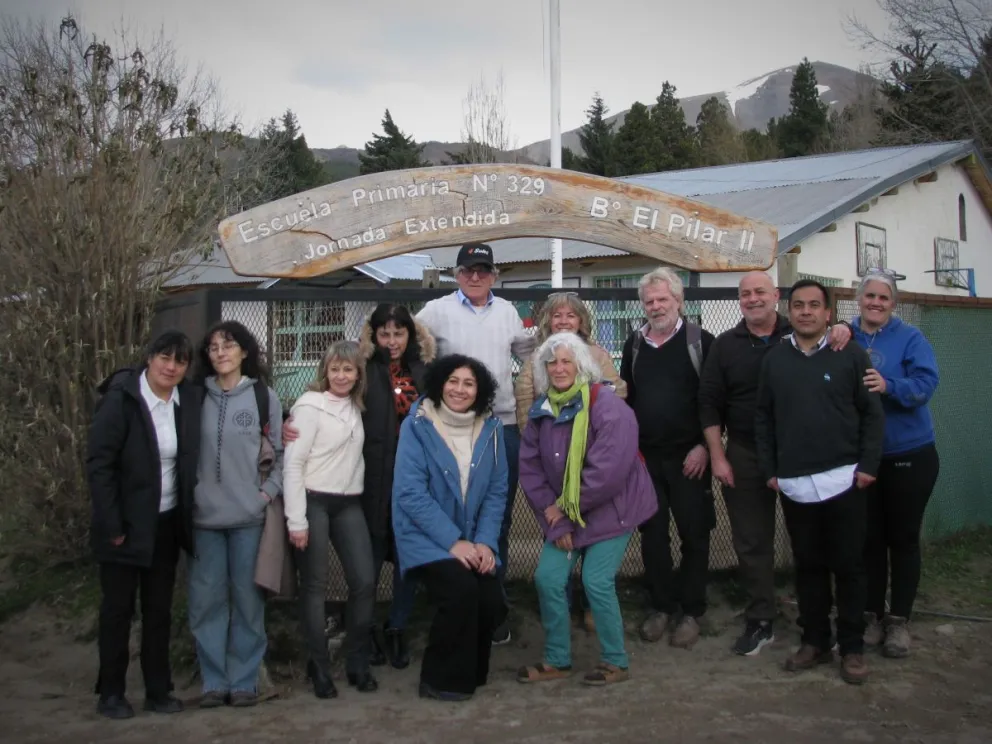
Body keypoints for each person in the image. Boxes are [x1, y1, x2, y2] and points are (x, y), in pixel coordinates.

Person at [698, 271, 851, 656]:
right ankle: (761, 618)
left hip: (802, 454)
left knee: (815, 542)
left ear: (775, 295)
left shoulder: (798, 332)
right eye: (745, 294)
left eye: (759, 292)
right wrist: (718, 456)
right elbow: (709, 403)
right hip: (746, 453)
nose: (752, 299)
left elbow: (840, 343)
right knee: (751, 541)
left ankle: (820, 620)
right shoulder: (725, 346)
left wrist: (844, 327)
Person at [282, 304, 437, 669]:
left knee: (407, 555)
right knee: (369, 557)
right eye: (384, 334)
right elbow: (328, 398)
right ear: (373, 336)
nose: (392, 341)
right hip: (367, 480)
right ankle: (364, 632)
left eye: (399, 334)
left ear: (410, 335)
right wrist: (286, 420)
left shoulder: (424, 372)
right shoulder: (364, 368)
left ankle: (397, 626)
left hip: (413, 478)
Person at [754, 279, 884, 685]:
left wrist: (868, 465)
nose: (806, 311)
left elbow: (872, 414)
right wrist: (770, 469)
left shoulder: (851, 354)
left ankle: (852, 647)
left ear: (828, 313)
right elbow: (763, 418)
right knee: (808, 566)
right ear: (789, 311)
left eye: (814, 305)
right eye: (799, 305)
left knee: (849, 566)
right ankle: (814, 640)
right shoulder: (775, 359)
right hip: (795, 484)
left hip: (845, 480)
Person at [518, 332, 657, 686]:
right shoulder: (542, 409)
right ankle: (557, 659)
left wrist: (564, 512)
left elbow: (608, 472)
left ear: (581, 365)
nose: (559, 368)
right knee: (549, 578)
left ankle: (616, 661)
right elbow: (531, 469)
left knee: (596, 580)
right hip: (565, 513)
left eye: (567, 361)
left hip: (613, 508)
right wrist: (557, 520)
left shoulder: (608, 406)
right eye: (552, 362)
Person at [415, 242, 535, 644]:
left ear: (494, 275)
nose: (475, 276)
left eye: (483, 270)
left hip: (500, 426)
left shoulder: (507, 312)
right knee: (454, 515)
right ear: (457, 274)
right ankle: (454, 603)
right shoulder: (436, 310)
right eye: (468, 270)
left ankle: (493, 607)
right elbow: (407, 343)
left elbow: (528, 351)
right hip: (453, 428)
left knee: (497, 518)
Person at [87, 330, 201, 720]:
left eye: (180, 361)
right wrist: (113, 524)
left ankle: (158, 689)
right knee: (118, 611)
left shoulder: (186, 401)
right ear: (149, 358)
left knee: (158, 611)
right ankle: (111, 693)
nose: (171, 367)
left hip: (166, 524)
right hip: (123, 525)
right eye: (164, 358)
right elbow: (100, 465)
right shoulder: (122, 400)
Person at [392, 354, 508, 701]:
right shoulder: (418, 425)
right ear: (440, 383)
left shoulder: (492, 429)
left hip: (472, 537)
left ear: (479, 391)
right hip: (425, 535)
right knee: (461, 589)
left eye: (469, 383)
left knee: (490, 596)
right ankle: (438, 679)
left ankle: (472, 672)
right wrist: (454, 542)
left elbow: (496, 492)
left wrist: (485, 543)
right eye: (453, 381)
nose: (459, 389)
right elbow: (410, 494)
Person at [514, 291, 627, 633]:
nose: (563, 321)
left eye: (571, 315)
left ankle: (592, 602)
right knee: (558, 534)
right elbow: (525, 401)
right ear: (547, 321)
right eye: (557, 315)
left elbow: (618, 391)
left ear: (582, 320)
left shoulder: (597, 354)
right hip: (553, 460)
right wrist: (536, 441)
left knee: (594, 532)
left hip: (590, 458)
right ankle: (559, 601)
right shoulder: (538, 357)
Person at [188, 321, 284, 708]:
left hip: (249, 519)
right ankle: (214, 681)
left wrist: (265, 495)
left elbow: (280, 453)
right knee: (206, 602)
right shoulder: (194, 396)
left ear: (244, 351)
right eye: (213, 347)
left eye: (228, 346)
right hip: (203, 521)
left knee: (248, 602)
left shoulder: (263, 397)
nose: (220, 353)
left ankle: (244, 681)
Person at [620, 267, 715, 649]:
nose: (656, 306)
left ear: (679, 300)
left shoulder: (700, 342)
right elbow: (627, 399)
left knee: (695, 532)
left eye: (663, 299)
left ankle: (691, 610)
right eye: (649, 301)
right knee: (653, 535)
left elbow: (714, 400)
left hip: (691, 457)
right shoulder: (635, 344)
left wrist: (705, 446)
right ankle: (661, 605)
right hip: (646, 459)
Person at [851, 269, 941, 658]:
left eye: (883, 297)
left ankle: (899, 620)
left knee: (902, 539)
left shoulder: (911, 338)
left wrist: (890, 386)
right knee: (869, 539)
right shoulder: (844, 335)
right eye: (870, 295)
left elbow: (926, 384)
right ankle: (871, 614)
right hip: (863, 458)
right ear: (859, 299)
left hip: (909, 453)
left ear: (893, 303)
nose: (876, 302)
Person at [283, 340, 378, 699]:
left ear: (357, 374)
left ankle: (357, 661)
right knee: (315, 585)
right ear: (325, 370)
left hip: (348, 500)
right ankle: (319, 666)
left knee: (364, 581)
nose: (341, 376)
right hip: (313, 500)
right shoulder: (310, 405)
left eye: (348, 369)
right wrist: (296, 520)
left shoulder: (357, 406)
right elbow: (293, 463)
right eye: (334, 368)